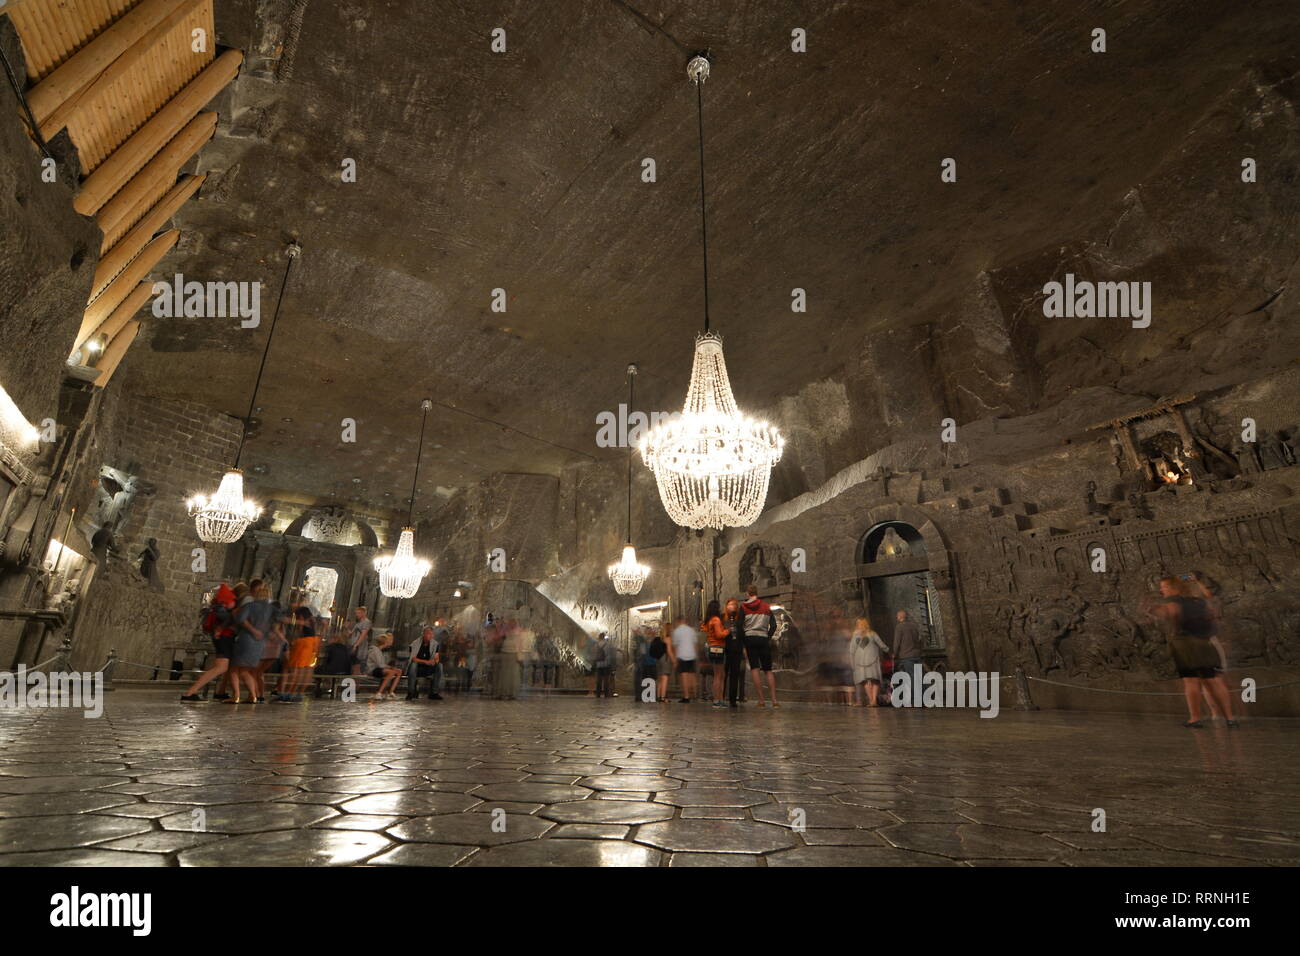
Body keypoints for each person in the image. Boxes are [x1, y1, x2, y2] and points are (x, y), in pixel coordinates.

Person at [1147, 576, 1237, 727]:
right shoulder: (1198, 601)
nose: (1161, 590)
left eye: (1164, 587)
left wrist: (1153, 609)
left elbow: (1170, 613)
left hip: (1186, 645)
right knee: (1212, 679)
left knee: (1191, 681)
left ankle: (1195, 718)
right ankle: (1230, 718)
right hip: (1205, 643)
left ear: (1174, 587)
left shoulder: (1172, 602)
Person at [180, 582, 238, 701]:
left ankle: (195, 691)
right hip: (224, 639)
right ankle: (190, 692)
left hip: (222, 639)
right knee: (220, 668)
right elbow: (227, 621)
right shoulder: (223, 608)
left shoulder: (217, 607)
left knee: (221, 668)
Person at [228, 582, 271, 703]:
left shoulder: (251, 605)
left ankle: (236, 696)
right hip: (260, 643)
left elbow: (240, 619)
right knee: (246, 670)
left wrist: (235, 613)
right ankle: (253, 696)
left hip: (247, 640)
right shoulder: (270, 610)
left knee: (234, 669)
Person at [740, 585, 778, 707]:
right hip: (763, 639)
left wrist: (744, 642)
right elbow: (774, 625)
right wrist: (768, 636)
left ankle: (761, 700)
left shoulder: (743, 607)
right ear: (757, 593)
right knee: (768, 670)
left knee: (755, 668)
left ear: (747, 594)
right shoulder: (766, 606)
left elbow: (739, 626)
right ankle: (774, 700)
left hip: (750, 639)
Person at [277, 606, 320, 702]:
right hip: (313, 643)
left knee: (296, 668)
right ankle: (299, 692)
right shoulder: (312, 620)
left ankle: (289, 692)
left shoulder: (303, 621)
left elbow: (299, 630)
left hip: (303, 643)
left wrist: (293, 641)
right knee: (306, 670)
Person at [849, 618, 891, 707]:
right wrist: (889, 650)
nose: (859, 626)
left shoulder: (858, 635)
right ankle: (873, 700)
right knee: (873, 680)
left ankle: (872, 700)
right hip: (871, 661)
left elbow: (851, 650)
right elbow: (881, 644)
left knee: (867, 681)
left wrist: (852, 663)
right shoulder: (871, 634)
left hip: (862, 662)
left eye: (859, 624)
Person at [891, 609, 924, 705]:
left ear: (900, 617)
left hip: (907, 656)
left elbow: (897, 642)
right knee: (919, 677)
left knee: (911, 678)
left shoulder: (899, 627)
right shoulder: (914, 626)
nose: (896, 617)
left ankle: (915, 701)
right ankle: (923, 699)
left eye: (897, 616)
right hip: (916, 655)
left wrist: (894, 653)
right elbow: (920, 639)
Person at [406, 625, 444, 700]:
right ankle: (411, 692)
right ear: (423, 634)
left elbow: (436, 657)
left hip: (428, 668)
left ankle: (434, 693)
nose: (431, 635)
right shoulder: (415, 643)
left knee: (439, 666)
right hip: (417, 668)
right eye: (429, 633)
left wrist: (435, 661)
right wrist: (426, 662)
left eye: (432, 634)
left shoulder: (435, 644)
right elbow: (413, 658)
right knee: (413, 665)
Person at [703, 600, 729, 707]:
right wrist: (727, 631)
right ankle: (717, 700)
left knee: (719, 675)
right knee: (719, 675)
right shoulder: (716, 620)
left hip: (711, 648)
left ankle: (719, 699)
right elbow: (719, 635)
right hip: (718, 648)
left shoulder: (709, 621)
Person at [366, 633, 404, 700]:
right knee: (391, 672)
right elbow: (380, 665)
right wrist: (391, 668)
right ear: (385, 642)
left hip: (378, 669)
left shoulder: (378, 650)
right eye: (388, 641)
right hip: (373, 670)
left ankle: (390, 692)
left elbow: (382, 665)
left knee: (399, 671)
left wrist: (392, 668)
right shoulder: (375, 650)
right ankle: (379, 693)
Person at [668, 615, 697, 703]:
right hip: (692, 655)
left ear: (678, 621)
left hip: (682, 656)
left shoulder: (676, 631)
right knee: (691, 675)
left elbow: (675, 646)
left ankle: (686, 696)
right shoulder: (691, 630)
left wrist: (675, 659)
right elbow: (695, 644)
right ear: (685, 621)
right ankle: (694, 694)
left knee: (684, 676)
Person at [348, 606, 373, 675]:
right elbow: (352, 633)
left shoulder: (366, 622)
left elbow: (363, 634)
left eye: (358, 613)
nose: (357, 615)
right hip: (353, 644)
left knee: (357, 664)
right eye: (356, 613)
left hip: (359, 646)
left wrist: (356, 645)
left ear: (363, 613)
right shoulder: (358, 623)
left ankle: (357, 679)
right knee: (352, 664)